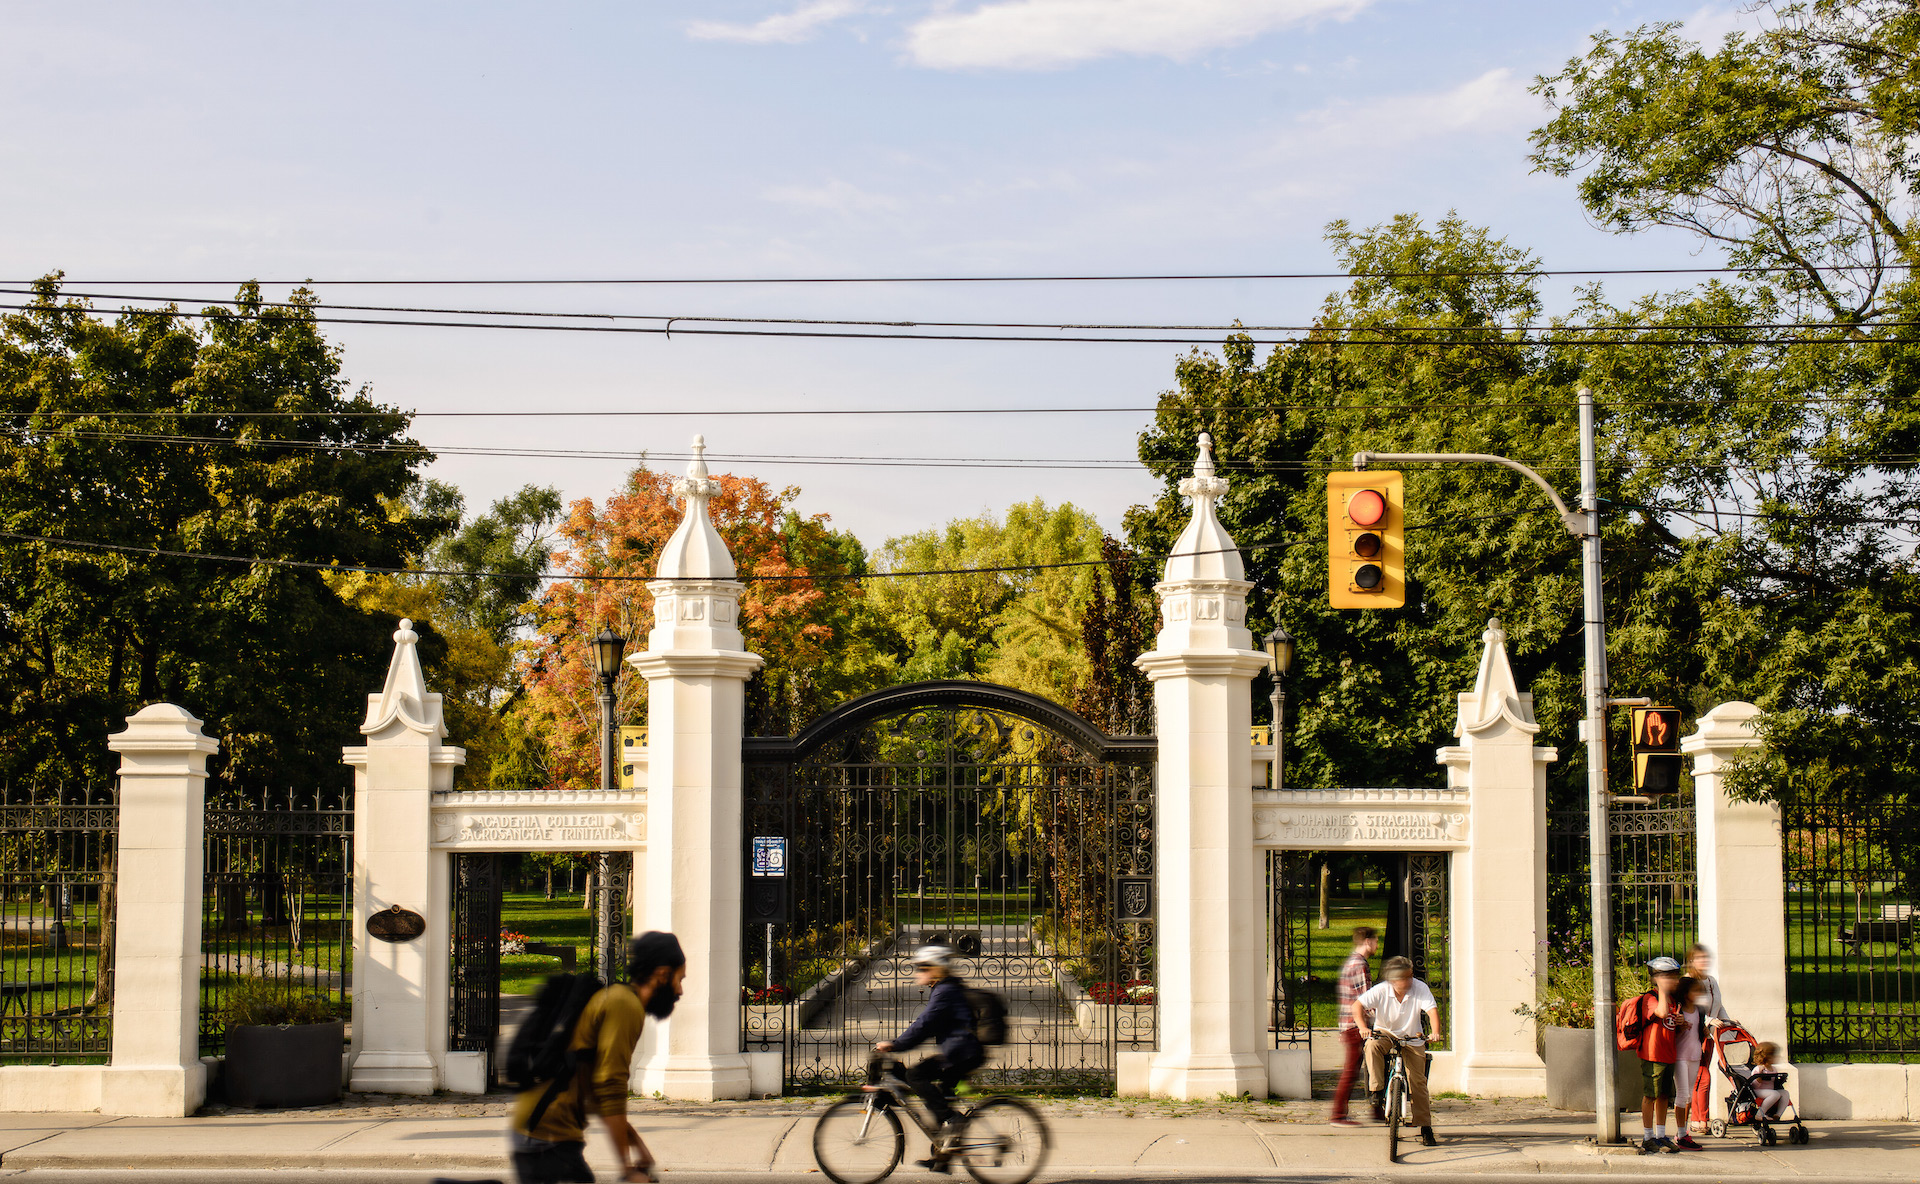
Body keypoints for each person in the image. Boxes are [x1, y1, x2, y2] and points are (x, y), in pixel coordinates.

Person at [509, 931, 687, 1184]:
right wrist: (627, 1169)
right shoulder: (625, 1006)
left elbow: (596, 1086)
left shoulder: (620, 999)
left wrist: (637, 1146)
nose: (680, 990)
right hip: (548, 1134)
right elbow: (609, 1086)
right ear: (662, 974)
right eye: (679, 979)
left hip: (543, 1129)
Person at [874, 945, 985, 1174]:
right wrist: (900, 1045)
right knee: (936, 1100)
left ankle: (953, 1121)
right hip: (960, 1051)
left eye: (923, 968)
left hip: (962, 1054)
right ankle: (943, 1155)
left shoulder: (944, 991)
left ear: (936, 969)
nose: (918, 972)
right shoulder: (944, 988)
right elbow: (927, 1026)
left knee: (916, 1075)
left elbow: (924, 1025)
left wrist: (896, 1044)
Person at [1351, 955, 1442, 1147]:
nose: (1409, 980)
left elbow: (1432, 1011)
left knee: (1418, 1081)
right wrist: (1362, 1027)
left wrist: (1435, 1032)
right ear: (1393, 980)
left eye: (1410, 976)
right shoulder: (1382, 990)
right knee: (1372, 1046)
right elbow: (1357, 1006)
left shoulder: (1420, 988)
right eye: (1404, 977)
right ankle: (1376, 1091)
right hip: (1385, 1032)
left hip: (1412, 1036)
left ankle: (1425, 1126)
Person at [1617, 955, 1688, 1155]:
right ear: (1658, 978)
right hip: (1652, 1055)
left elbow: (1670, 1024)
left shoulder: (1672, 1001)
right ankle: (1648, 1137)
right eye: (1670, 977)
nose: (1675, 981)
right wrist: (1662, 989)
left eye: (1675, 976)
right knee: (1651, 1095)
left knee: (1664, 1096)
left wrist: (1681, 1023)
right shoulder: (1651, 999)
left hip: (1668, 1054)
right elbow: (1662, 1013)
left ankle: (1661, 1134)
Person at [1330, 926, 1378, 1128]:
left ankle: (1378, 1111)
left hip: (1349, 1023)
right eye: (1376, 941)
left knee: (1364, 1068)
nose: (1377, 945)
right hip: (1356, 1025)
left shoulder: (1352, 961)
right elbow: (1365, 1000)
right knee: (1352, 1071)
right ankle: (1338, 1115)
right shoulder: (1360, 965)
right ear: (1367, 941)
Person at [1683, 943, 1731, 1132]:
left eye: (1705, 958)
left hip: (1709, 1036)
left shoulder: (1711, 981)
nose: (1703, 961)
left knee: (1700, 1075)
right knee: (1702, 1076)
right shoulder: (1688, 981)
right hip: (1693, 1035)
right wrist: (1709, 1020)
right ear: (1692, 961)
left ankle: (1698, 1119)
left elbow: (1718, 1005)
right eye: (1699, 958)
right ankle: (1700, 1119)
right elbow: (1691, 1008)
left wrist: (1727, 1021)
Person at [1670, 982, 1706, 1150]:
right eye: (1695, 991)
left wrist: (1705, 1032)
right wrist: (1679, 1026)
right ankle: (1681, 1134)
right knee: (1682, 1095)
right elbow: (1670, 1031)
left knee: (1689, 1096)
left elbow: (1700, 1030)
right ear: (1685, 993)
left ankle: (1683, 1132)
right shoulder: (1678, 1010)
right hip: (1680, 1056)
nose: (1698, 994)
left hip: (1695, 1055)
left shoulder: (1700, 1011)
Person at [1749, 1041, 1791, 1119]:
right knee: (1775, 1094)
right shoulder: (1758, 1069)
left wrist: (1781, 1080)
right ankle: (1759, 1114)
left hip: (1770, 1091)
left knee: (1785, 1093)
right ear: (1766, 1057)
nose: (1776, 1057)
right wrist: (1759, 1077)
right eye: (1773, 1056)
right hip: (1758, 1091)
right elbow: (1754, 1085)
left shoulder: (1773, 1069)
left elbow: (1775, 1083)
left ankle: (1777, 1115)